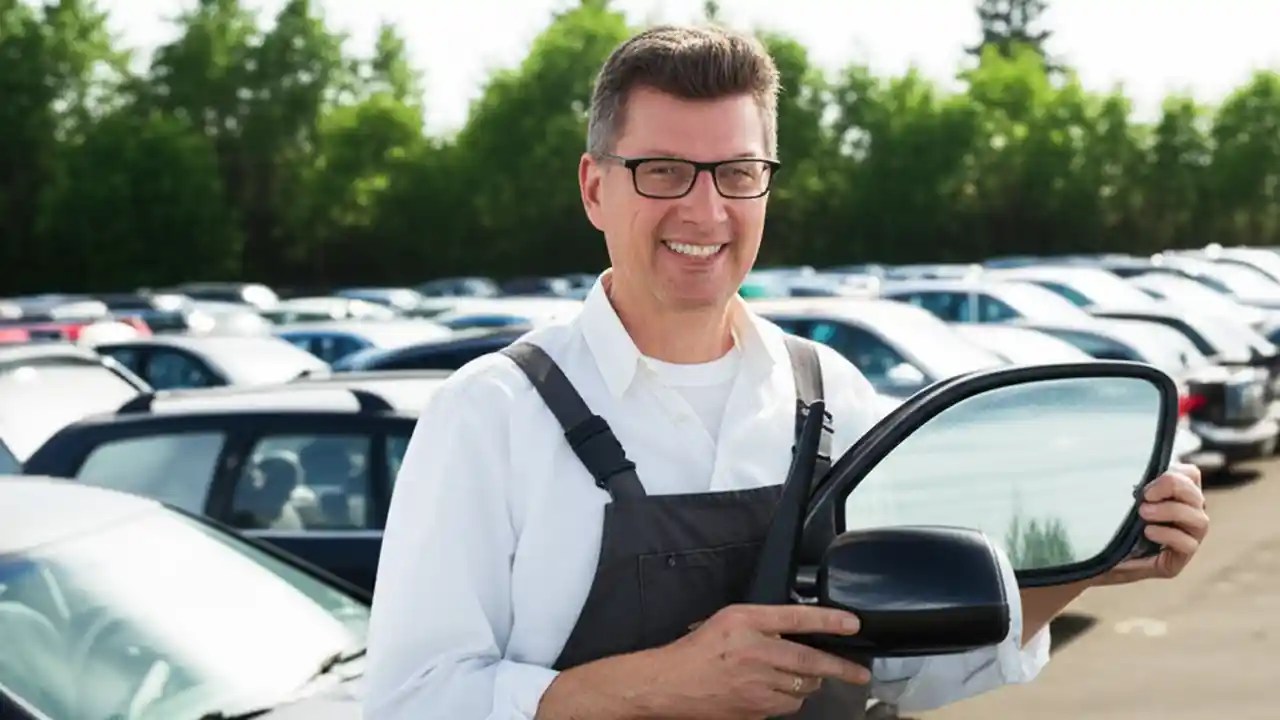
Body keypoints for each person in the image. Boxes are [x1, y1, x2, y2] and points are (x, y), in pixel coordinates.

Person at [363, 23, 1209, 720]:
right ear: (594, 188)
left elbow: (902, 671)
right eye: (662, 171)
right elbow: (410, 702)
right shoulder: (492, 413)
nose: (705, 209)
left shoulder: (830, 393)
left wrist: (1095, 559)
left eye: (738, 173)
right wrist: (665, 683)